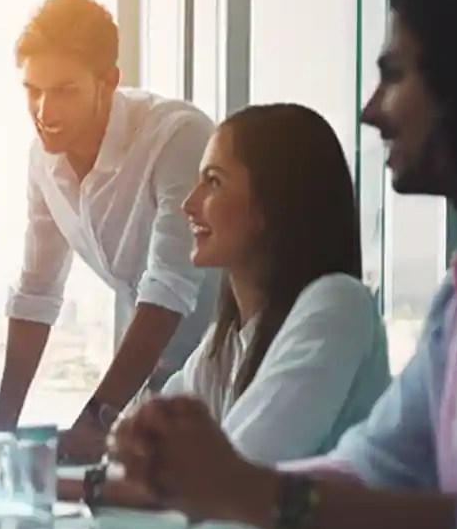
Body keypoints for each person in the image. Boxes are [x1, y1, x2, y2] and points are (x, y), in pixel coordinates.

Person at [112, 0, 457, 529]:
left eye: (393, 74)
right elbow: (371, 465)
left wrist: (238, 488)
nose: (371, 111)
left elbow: (245, 469)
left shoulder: (336, 304)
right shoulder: (455, 306)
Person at [0, 0, 220, 462]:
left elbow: (168, 287)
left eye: (64, 90)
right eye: (32, 90)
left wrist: (95, 421)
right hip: (151, 381)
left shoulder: (177, 136)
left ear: (109, 81)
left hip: (228, 368)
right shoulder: (43, 161)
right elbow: (36, 293)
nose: (44, 112)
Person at [157, 103, 390, 464]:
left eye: (214, 182)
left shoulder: (339, 304)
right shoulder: (225, 342)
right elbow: (147, 450)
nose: (189, 204)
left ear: (271, 202)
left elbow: (237, 470)